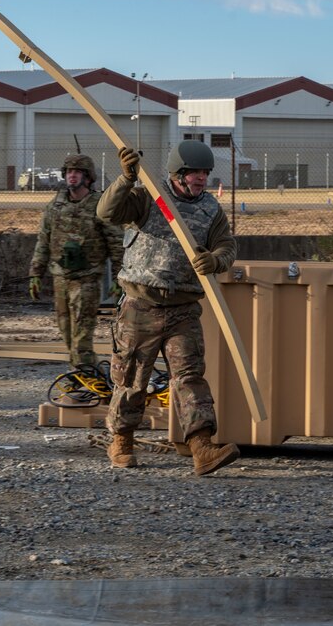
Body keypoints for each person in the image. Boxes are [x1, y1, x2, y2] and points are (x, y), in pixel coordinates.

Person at [96, 140, 240, 475]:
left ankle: (202, 448)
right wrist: (126, 179)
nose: (201, 179)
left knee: (190, 377)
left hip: (183, 309)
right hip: (140, 305)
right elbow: (107, 212)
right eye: (194, 173)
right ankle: (121, 441)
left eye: (205, 173)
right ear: (178, 174)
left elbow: (226, 246)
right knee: (132, 376)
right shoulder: (148, 197)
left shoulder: (210, 210)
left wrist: (216, 259)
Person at [28, 154, 124, 370]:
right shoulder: (56, 205)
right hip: (60, 278)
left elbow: (117, 243)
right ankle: (84, 377)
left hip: (87, 279)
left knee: (81, 340)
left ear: (88, 177)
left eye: (77, 172)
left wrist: (119, 279)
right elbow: (43, 240)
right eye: (69, 172)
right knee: (67, 335)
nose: (72, 176)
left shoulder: (99, 205)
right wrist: (35, 274)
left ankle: (85, 379)